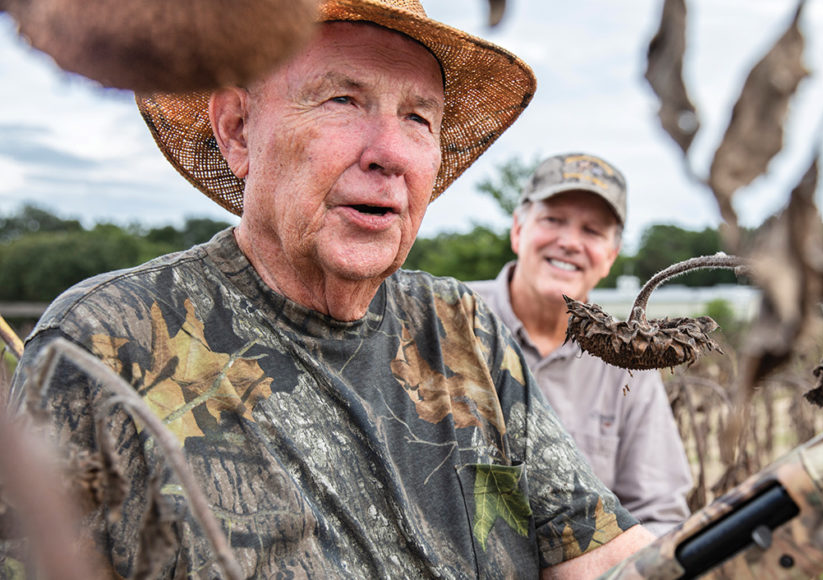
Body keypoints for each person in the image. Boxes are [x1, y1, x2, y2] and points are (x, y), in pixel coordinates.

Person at [8, 2, 656, 577]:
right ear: (237, 129)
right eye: (342, 100)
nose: (389, 153)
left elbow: (602, 557)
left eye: (419, 118)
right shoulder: (108, 344)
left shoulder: (462, 327)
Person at [467, 154, 693, 537]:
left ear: (610, 257)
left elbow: (659, 514)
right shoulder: (448, 318)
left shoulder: (628, 363)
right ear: (518, 230)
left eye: (592, 230)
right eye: (553, 220)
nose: (570, 242)